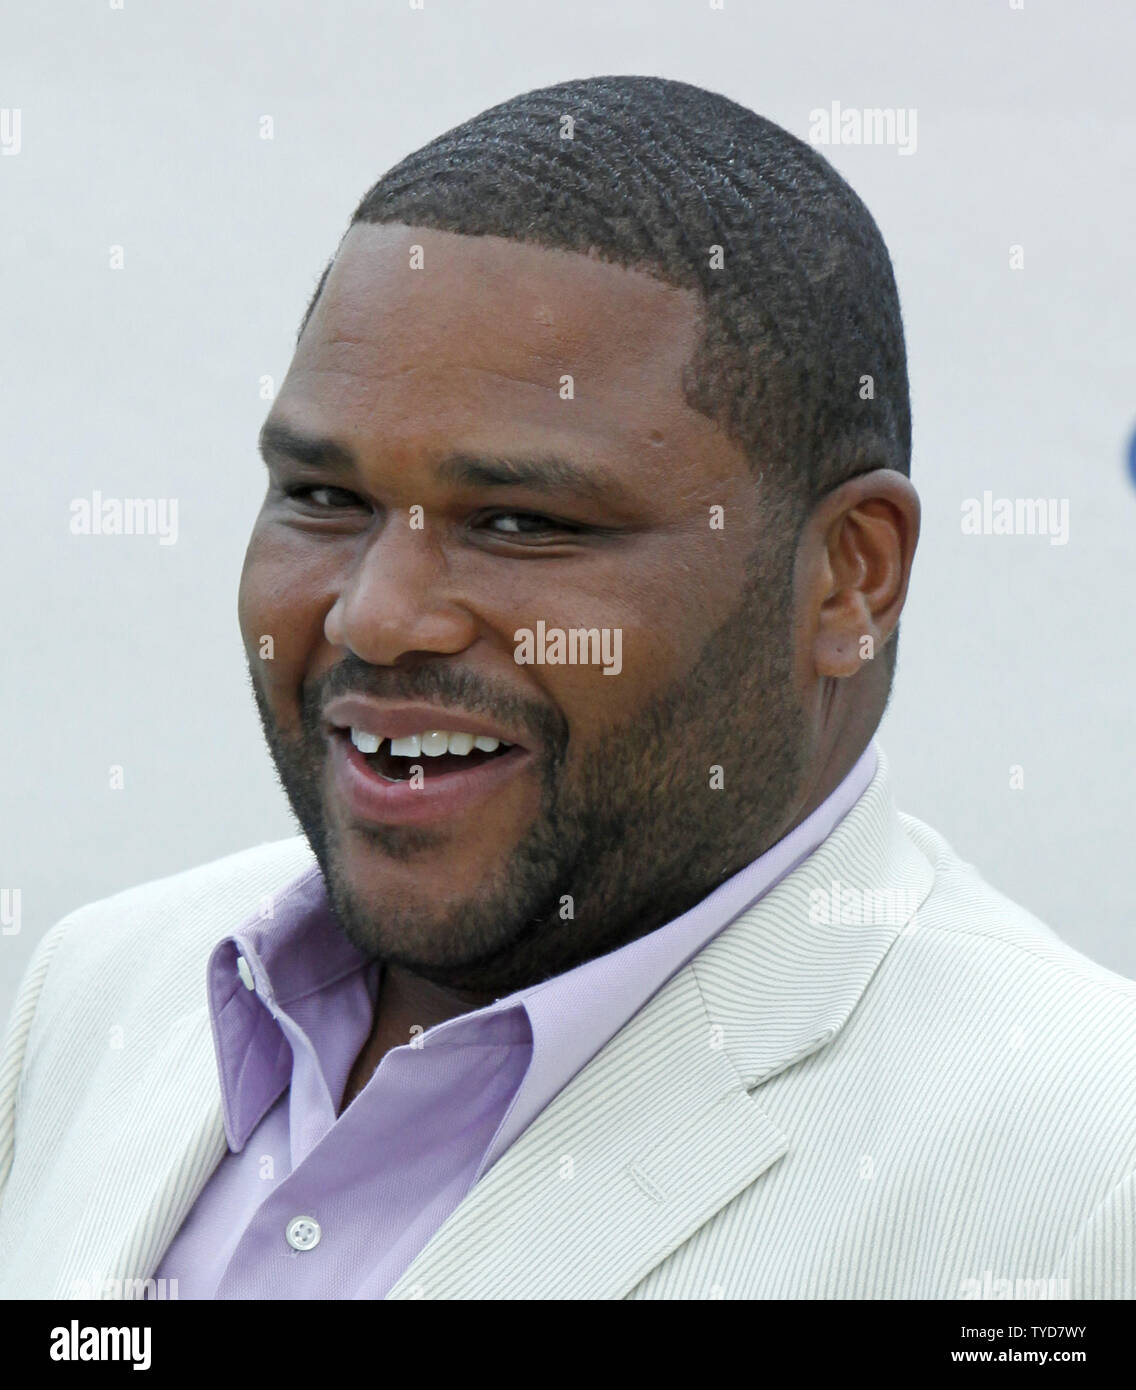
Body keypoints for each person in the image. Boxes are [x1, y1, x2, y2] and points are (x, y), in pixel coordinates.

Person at [2, 75, 1133, 1301]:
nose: (377, 613)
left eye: (519, 521)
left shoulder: (1082, 1174)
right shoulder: (107, 986)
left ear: (847, 580)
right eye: (324, 498)